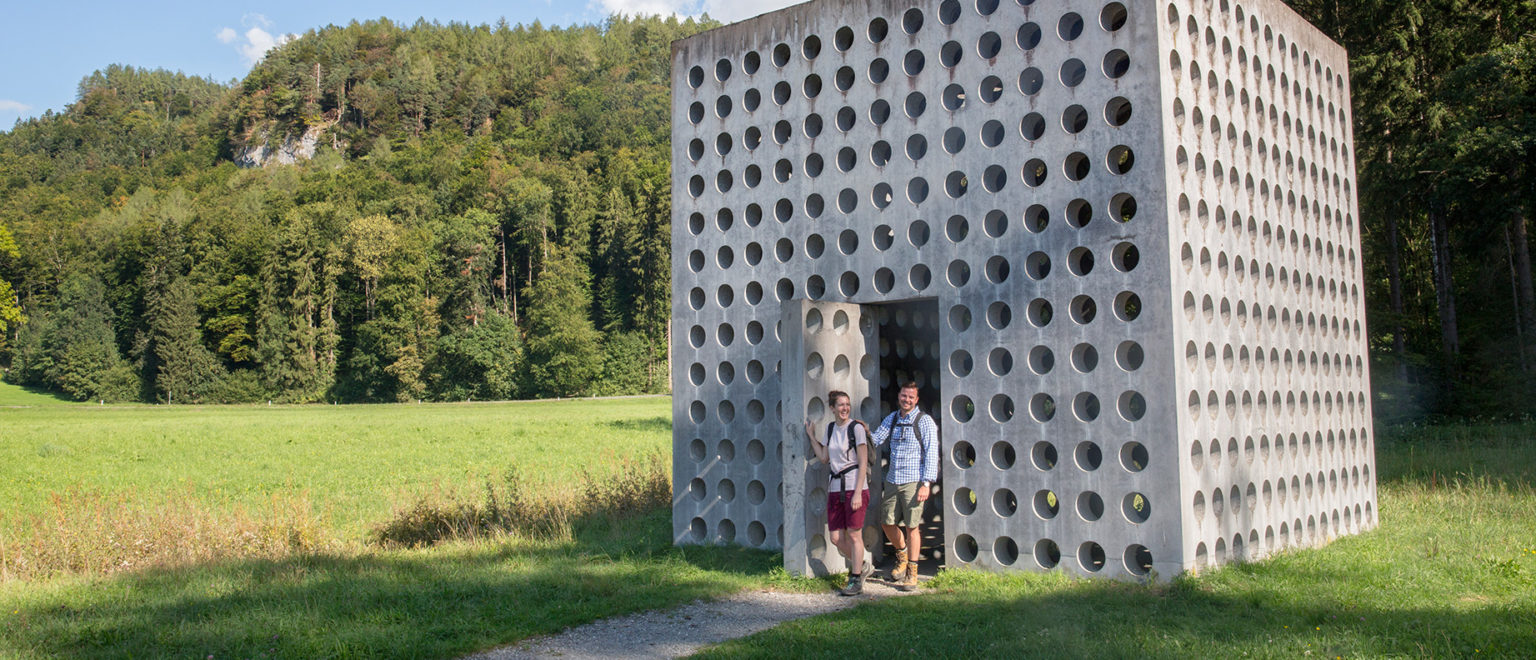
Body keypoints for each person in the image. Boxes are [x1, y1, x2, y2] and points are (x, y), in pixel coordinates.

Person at [868, 381, 939, 591]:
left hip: (914, 481)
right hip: (892, 479)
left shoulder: (924, 421)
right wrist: (857, 431)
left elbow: (932, 453)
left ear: (916, 400)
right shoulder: (892, 419)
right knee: (886, 522)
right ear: (899, 396)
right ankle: (902, 555)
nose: (906, 400)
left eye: (910, 397)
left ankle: (912, 571)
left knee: (912, 527)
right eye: (903, 395)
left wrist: (926, 483)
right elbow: (876, 438)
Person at [803, 390, 871, 596]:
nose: (845, 408)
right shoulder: (831, 428)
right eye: (840, 405)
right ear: (832, 408)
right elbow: (824, 458)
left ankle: (855, 579)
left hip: (854, 487)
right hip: (835, 488)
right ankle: (863, 564)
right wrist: (812, 437)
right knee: (835, 538)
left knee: (853, 534)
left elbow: (863, 461)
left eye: (847, 404)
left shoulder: (856, 429)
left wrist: (858, 492)